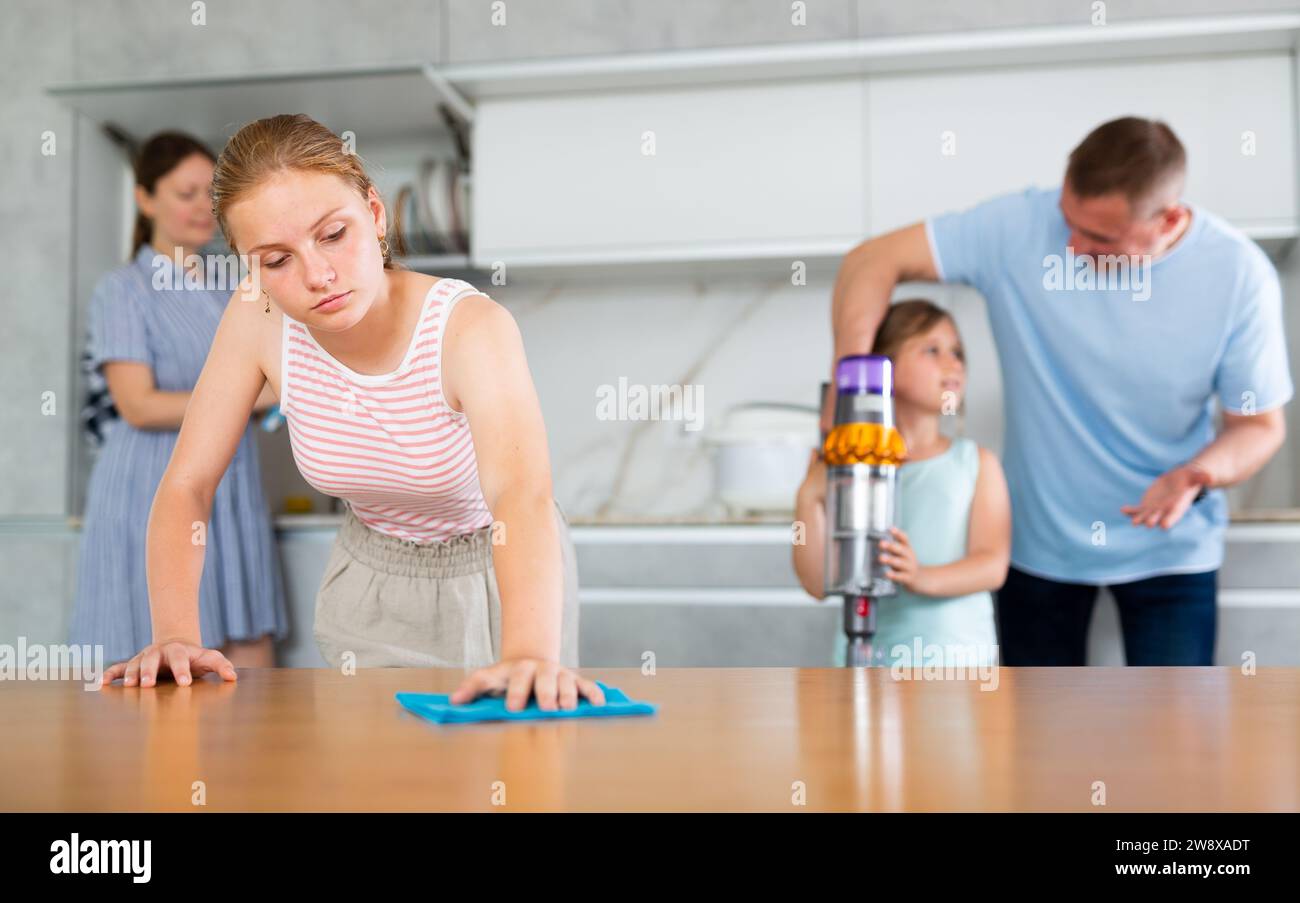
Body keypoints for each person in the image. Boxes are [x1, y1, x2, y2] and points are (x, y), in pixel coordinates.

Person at [101, 113, 602, 712]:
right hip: (367, 578)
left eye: (333, 234)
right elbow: (187, 484)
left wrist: (527, 651)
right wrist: (176, 637)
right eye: (276, 260)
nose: (317, 276)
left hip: (503, 577)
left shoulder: (470, 328)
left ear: (375, 211)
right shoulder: (256, 317)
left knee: (508, 778)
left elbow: (521, 495)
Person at [830, 117, 1292, 666]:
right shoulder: (1016, 227)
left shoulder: (1239, 276)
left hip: (1171, 552)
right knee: (1034, 744)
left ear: (1168, 219)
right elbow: (869, 262)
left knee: (1180, 740)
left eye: (1098, 237)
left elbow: (1259, 426)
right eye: (1066, 221)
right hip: (1037, 549)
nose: (1071, 248)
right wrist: (852, 399)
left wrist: (1198, 474)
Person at [71, 131, 287, 668]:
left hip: (231, 487)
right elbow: (138, 405)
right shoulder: (123, 289)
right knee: (154, 662)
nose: (200, 209)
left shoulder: (234, 286)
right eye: (184, 193)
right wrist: (251, 399)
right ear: (145, 199)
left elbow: (277, 376)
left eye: (208, 196)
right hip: (149, 485)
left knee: (247, 658)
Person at [795, 300, 1011, 666]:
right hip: (869, 664)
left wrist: (920, 575)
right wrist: (809, 498)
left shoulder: (976, 464)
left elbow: (992, 565)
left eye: (957, 352)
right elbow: (817, 582)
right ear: (884, 368)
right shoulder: (849, 469)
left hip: (957, 667)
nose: (953, 362)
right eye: (932, 350)